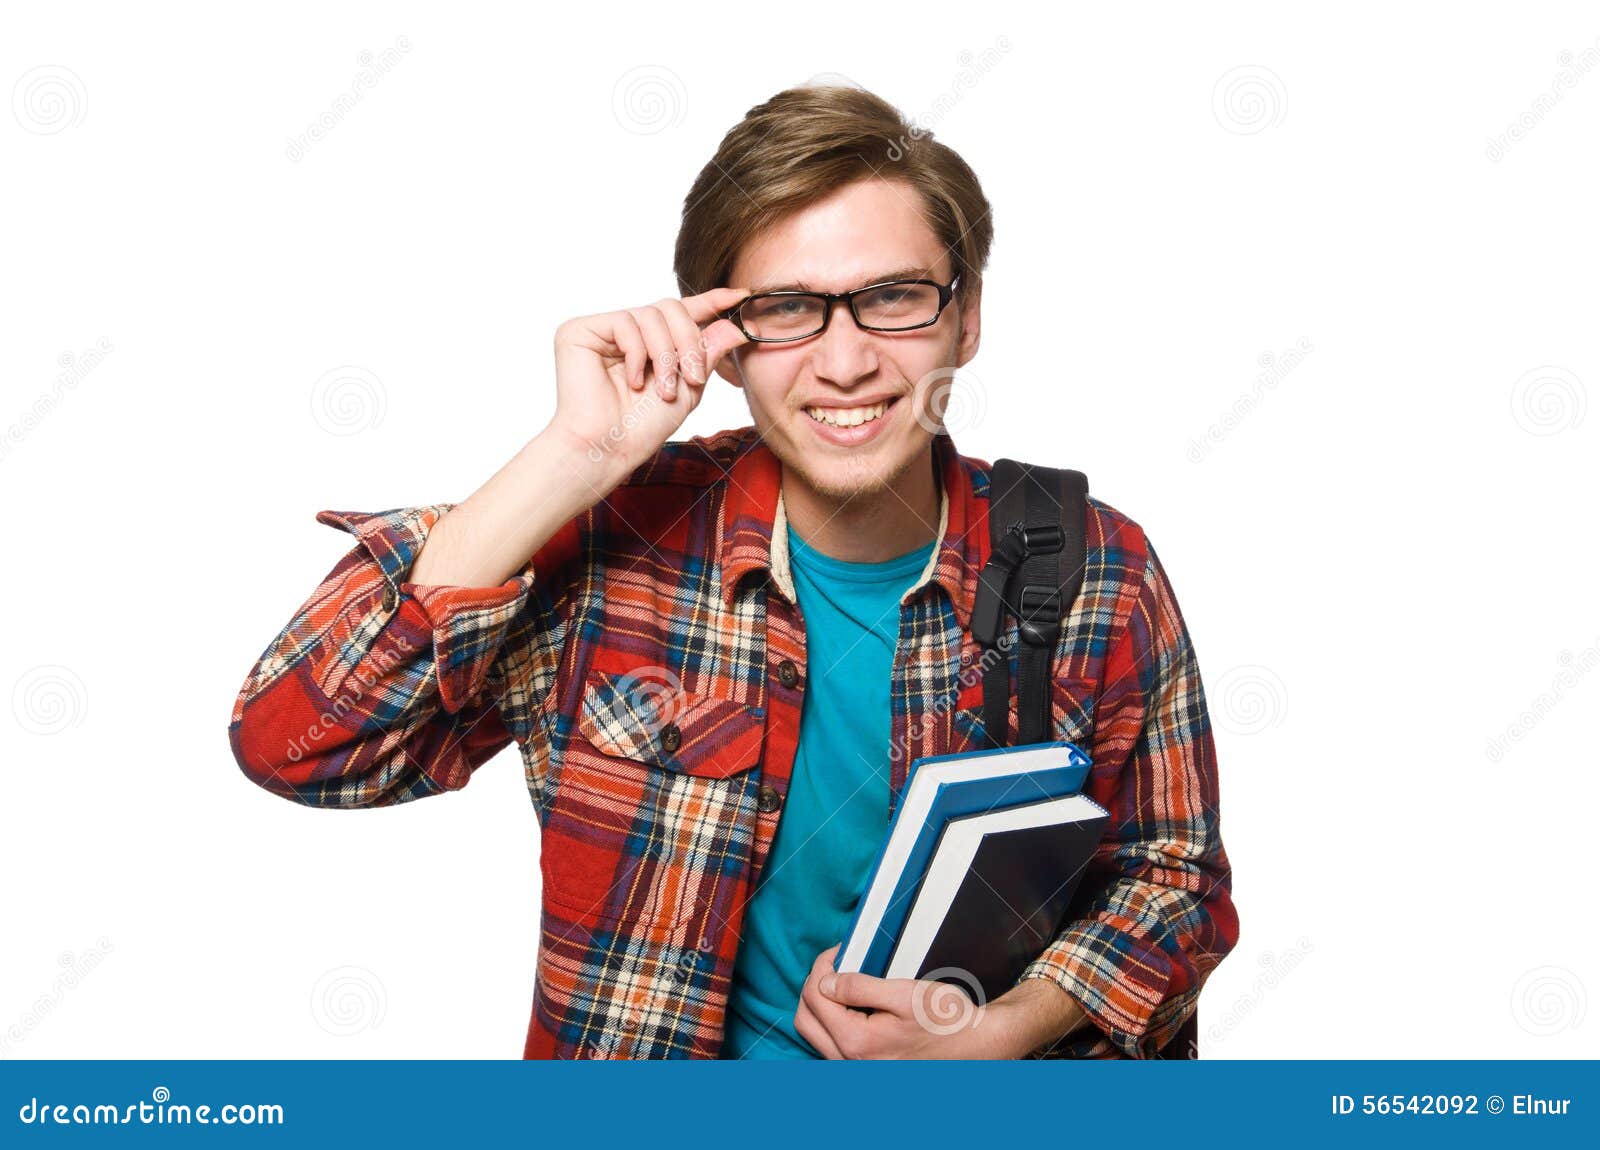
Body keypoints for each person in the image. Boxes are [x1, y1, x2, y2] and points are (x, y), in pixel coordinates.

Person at [228, 83, 1238, 1060]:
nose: (844, 363)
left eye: (892, 297)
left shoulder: (1100, 566)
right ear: (722, 340)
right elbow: (300, 742)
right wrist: (570, 457)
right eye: (788, 307)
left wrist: (1001, 1030)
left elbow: (1174, 882)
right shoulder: (613, 537)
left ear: (964, 318)